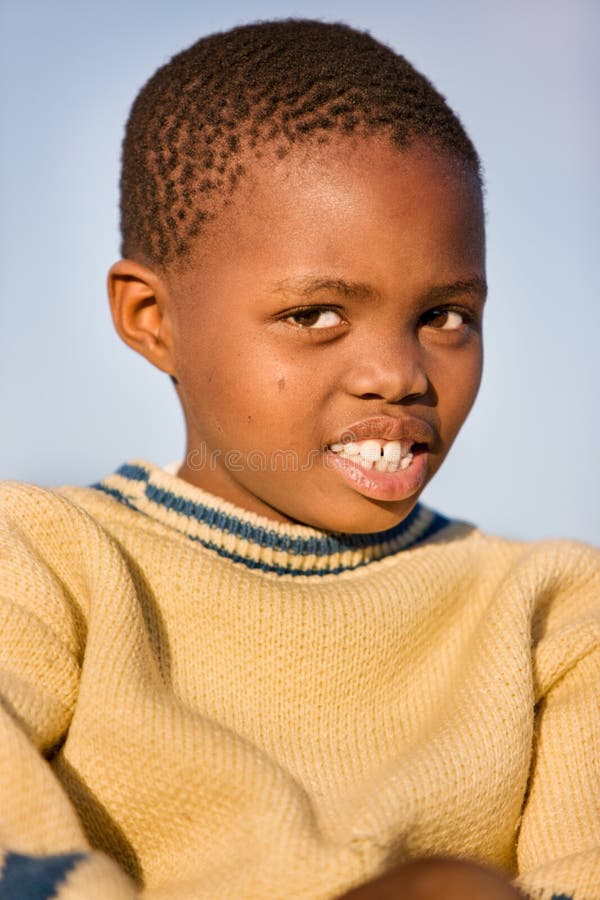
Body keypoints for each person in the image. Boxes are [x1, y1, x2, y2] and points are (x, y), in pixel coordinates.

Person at [0, 18, 597, 900]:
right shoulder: (50, 561)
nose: (398, 374)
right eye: (316, 314)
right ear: (151, 319)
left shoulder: (550, 614)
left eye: (447, 316)